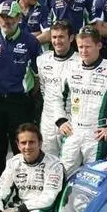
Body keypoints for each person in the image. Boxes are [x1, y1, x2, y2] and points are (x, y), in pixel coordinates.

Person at [55, 26, 107, 173]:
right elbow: (56, 97)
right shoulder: (70, 68)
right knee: (63, 175)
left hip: (96, 134)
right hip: (73, 131)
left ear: (99, 45)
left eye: (88, 46)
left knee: (92, 176)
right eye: (80, 47)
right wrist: (61, 120)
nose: (83, 51)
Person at [0, 1, 42, 192]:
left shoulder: (31, 41)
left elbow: (39, 75)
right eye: (3, 16)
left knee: (22, 151)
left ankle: (22, 194)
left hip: (20, 103)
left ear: (19, 18)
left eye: (11, 16)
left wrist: (31, 98)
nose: (7, 21)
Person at [36, 22, 78, 157]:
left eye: (61, 37)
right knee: (48, 160)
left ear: (71, 38)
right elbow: (42, 88)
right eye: (54, 37)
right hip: (48, 119)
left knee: (70, 161)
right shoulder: (42, 60)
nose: (57, 41)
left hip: (71, 119)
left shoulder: (80, 62)